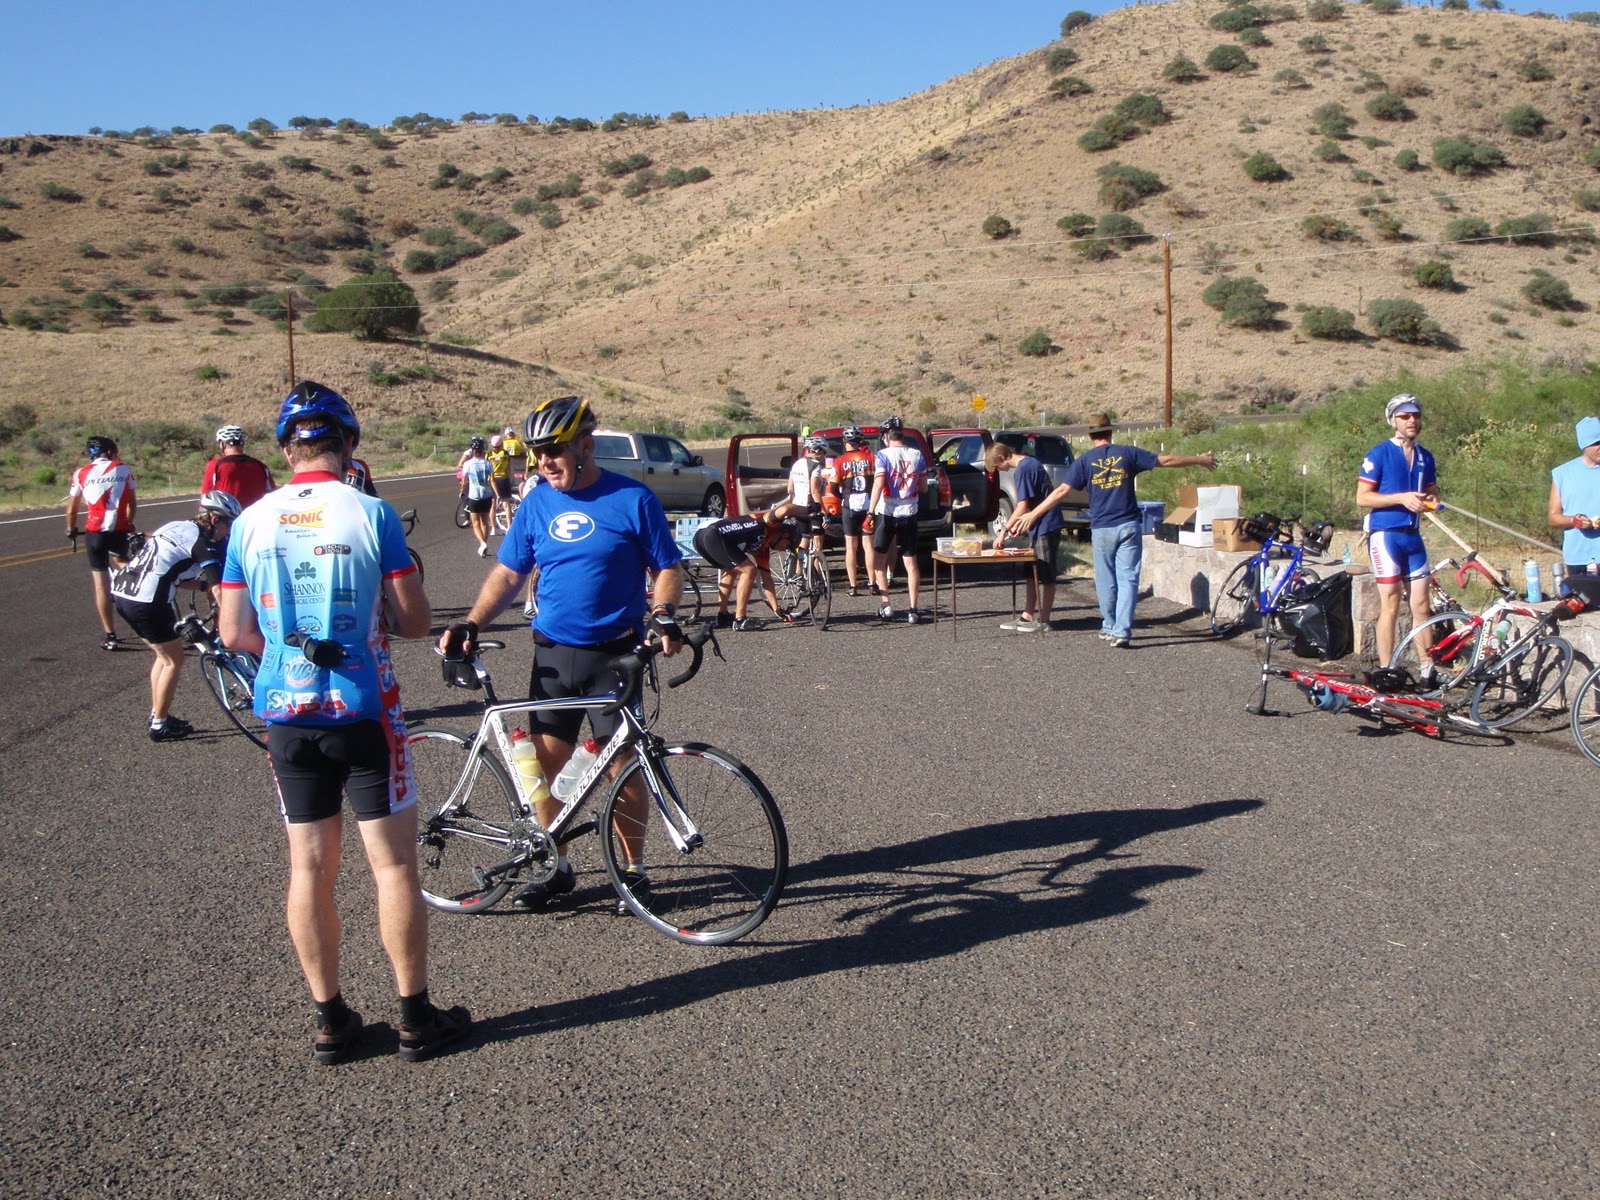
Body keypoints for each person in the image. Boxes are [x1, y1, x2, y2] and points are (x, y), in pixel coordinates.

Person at [219, 380, 469, 1065]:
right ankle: (416, 1017)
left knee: (308, 867)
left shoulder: (248, 521)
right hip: (364, 708)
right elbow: (416, 621)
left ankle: (331, 1020)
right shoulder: (370, 512)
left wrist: (286, 650)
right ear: (347, 445)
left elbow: (233, 631)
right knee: (392, 866)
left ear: (285, 450)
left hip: (287, 716)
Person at [439, 395, 683, 913]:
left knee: (621, 766)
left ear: (585, 447)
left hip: (614, 656)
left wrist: (662, 612)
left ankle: (633, 871)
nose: (544, 463)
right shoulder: (536, 504)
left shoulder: (632, 499)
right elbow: (509, 574)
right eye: (536, 454)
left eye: (553, 451)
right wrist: (471, 621)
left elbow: (667, 566)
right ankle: (559, 864)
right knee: (547, 766)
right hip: (554, 654)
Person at [1013, 412, 1215, 647]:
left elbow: (1061, 492)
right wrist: (1199, 459)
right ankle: (1121, 629)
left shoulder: (1085, 461)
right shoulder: (1128, 453)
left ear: (1091, 436)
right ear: (1110, 432)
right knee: (1128, 579)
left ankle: (1110, 625)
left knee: (1106, 581)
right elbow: (1166, 461)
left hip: (1102, 528)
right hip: (1129, 525)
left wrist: (1033, 514)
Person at [110, 490, 241, 741]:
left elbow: (167, 574)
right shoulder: (202, 543)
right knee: (174, 660)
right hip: (148, 603)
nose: (229, 531)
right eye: (229, 524)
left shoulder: (175, 526)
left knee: (163, 657)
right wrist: (233, 622)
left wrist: (200, 587)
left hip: (124, 593)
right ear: (215, 520)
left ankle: (157, 713)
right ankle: (160, 725)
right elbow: (220, 590)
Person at [1357, 393, 1439, 668]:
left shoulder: (1426, 457)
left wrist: (1430, 502)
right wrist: (1402, 498)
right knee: (1390, 604)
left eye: (1415, 415)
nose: (1412, 421)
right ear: (1393, 420)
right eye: (1405, 416)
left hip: (1413, 537)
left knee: (1422, 606)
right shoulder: (1378, 453)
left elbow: (1431, 492)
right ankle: (1386, 668)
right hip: (1385, 536)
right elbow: (1363, 498)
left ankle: (1427, 666)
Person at [66, 435, 138, 651]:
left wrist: (71, 530)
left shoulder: (81, 473)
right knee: (125, 564)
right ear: (109, 452)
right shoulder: (123, 468)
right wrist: (129, 523)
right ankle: (145, 598)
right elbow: (132, 503)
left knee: (101, 584)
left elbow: (72, 509)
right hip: (119, 529)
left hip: (94, 533)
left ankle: (110, 635)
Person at [987, 440, 1062, 633]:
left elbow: (1021, 506)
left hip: (1047, 525)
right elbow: (1030, 505)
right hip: (1038, 525)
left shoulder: (1023, 469)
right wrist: (1019, 526)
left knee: (1045, 573)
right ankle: (1027, 616)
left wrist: (1003, 531)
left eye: (998, 467)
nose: (1000, 471)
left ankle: (1044, 620)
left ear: (1003, 457)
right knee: (1031, 571)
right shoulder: (1029, 462)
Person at [694, 510, 799, 631]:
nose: (785, 549)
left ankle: (722, 615)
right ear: (784, 534)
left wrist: (778, 610)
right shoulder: (765, 526)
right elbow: (784, 510)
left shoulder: (763, 550)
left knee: (731, 571)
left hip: (702, 538)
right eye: (788, 544)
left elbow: (767, 579)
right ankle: (740, 619)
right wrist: (806, 509)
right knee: (749, 570)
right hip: (712, 535)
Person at [869, 417, 927, 623]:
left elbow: (878, 485)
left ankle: (886, 605)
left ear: (886, 437)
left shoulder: (883, 455)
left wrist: (869, 511)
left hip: (888, 510)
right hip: (910, 511)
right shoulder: (917, 454)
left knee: (879, 559)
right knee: (911, 562)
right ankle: (913, 609)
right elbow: (924, 487)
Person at [1549, 416, 1600, 581]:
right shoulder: (1563, 474)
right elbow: (1553, 517)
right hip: (1578, 557)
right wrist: (1575, 521)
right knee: (1584, 606)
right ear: (1584, 444)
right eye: (1596, 442)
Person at [830, 426, 876, 596]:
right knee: (868, 546)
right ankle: (872, 583)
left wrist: (842, 497)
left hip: (849, 505)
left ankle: (853, 585)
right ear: (861, 442)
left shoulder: (840, 461)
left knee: (851, 546)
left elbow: (833, 487)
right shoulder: (871, 458)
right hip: (868, 506)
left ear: (844, 441)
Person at [201, 424, 276, 508]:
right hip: (255, 517)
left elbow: (206, 498)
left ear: (222, 444)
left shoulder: (215, 465)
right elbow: (272, 495)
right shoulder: (261, 466)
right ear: (242, 443)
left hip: (227, 518)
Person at [789, 435, 828, 559]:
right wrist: (824, 512)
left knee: (803, 540)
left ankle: (799, 574)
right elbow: (815, 491)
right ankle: (817, 575)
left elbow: (790, 489)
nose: (824, 456)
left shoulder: (796, 464)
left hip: (797, 507)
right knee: (818, 543)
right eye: (823, 452)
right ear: (817, 450)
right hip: (811, 508)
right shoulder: (815, 466)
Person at [459, 437, 495, 557]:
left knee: (475, 523)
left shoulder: (467, 464)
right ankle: (484, 544)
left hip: (474, 496)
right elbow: (492, 480)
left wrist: (462, 491)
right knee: (485, 522)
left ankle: (482, 543)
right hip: (487, 495)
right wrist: (497, 494)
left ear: (473, 451)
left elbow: (464, 482)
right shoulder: (488, 463)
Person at [487, 433, 513, 529]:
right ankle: (509, 526)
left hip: (492, 480)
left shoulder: (489, 455)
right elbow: (509, 466)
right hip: (503, 478)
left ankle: (493, 527)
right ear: (501, 444)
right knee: (506, 505)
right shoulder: (505, 454)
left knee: (493, 504)